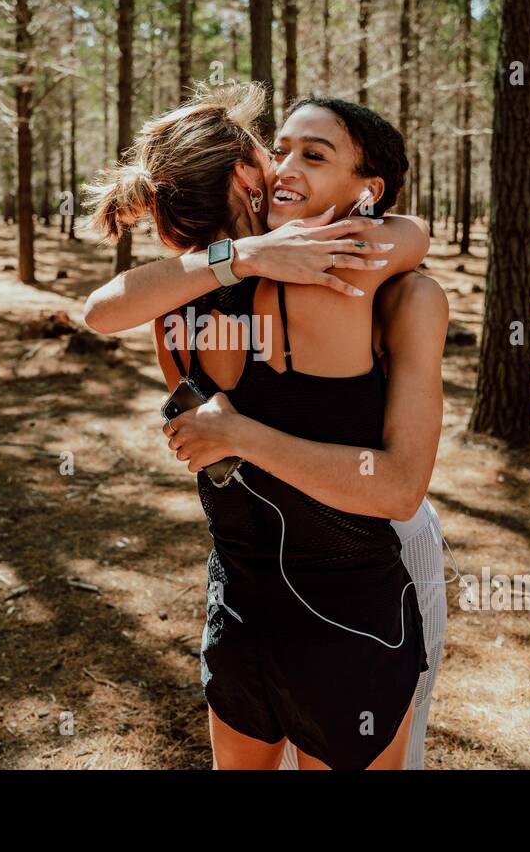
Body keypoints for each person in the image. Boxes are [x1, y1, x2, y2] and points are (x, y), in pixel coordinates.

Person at [84, 83, 450, 769]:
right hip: (355, 603)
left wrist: (235, 431)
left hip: (240, 608)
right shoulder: (343, 279)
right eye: (276, 150)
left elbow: (103, 310)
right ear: (248, 177)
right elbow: (399, 491)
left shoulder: (173, 309)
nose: (285, 166)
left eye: (310, 154)